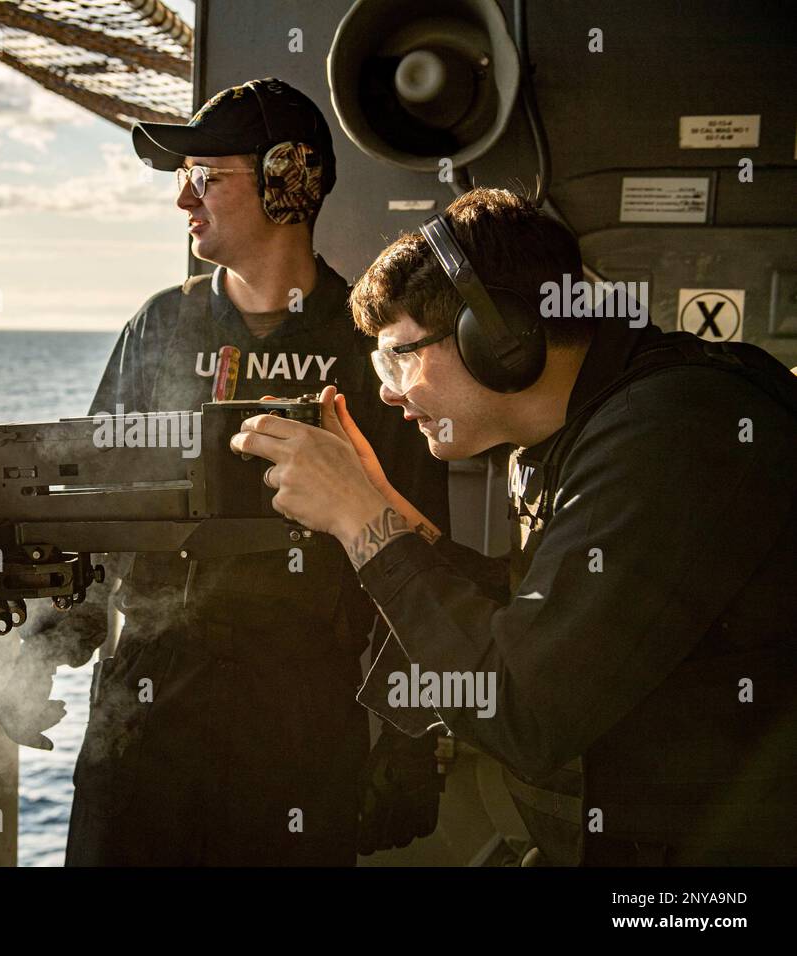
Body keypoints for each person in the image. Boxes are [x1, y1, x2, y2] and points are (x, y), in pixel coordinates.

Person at [233, 187, 797, 865]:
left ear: (496, 335)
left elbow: (524, 708)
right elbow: (537, 625)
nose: (387, 389)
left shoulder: (673, 433)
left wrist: (360, 520)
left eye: (400, 356)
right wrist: (385, 505)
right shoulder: (593, 427)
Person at [60, 77, 450, 866]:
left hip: (296, 721)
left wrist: (414, 745)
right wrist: (39, 653)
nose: (183, 199)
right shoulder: (159, 326)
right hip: (144, 715)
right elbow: (89, 509)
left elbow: (422, 551)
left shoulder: (367, 347)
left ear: (286, 181)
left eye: (206, 175)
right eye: (182, 178)